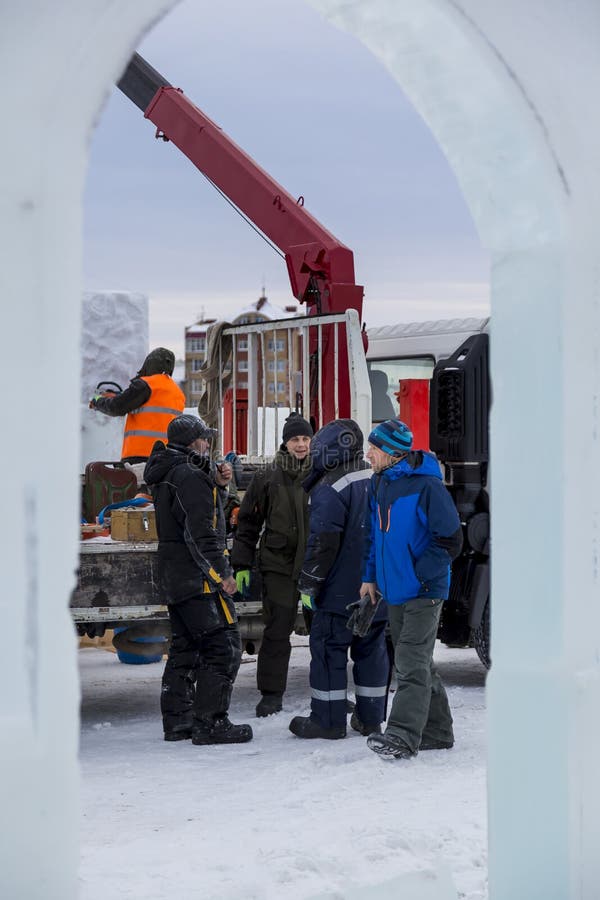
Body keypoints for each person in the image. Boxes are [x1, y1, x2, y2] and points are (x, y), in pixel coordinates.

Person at [144, 414, 252, 745]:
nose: (208, 444)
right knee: (223, 647)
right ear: (195, 443)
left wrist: (217, 484)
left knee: (186, 647)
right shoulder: (189, 476)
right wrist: (222, 575)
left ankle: (178, 720)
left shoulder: (169, 470)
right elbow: (201, 534)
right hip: (197, 577)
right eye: (205, 438)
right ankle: (211, 723)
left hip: (176, 575)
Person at [360, 419, 463, 760]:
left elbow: (450, 539)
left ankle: (402, 735)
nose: (368, 454)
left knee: (409, 659)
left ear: (392, 452)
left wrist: (418, 575)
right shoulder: (378, 483)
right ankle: (437, 731)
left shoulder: (427, 486)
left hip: (424, 589)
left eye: (374, 448)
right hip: (395, 590)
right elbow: (374, 537)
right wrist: (370, 578)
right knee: (419, 662)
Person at [289, 419, 389, 740]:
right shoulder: (378, 478)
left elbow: (323, 543)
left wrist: (309, 584)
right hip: (377, 590)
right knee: (371, 652)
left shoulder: (331, 486)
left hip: (338, 594)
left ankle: (328, 721)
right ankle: (370, 720)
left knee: (328, 651)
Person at [231, 412, 313, 717]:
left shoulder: (322, 471)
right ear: (285, 443)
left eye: (305, 438)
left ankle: (326, 692)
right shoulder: (267, 476)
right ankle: (271, 694)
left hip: (314, 567)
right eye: (295, 439)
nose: (301, 444)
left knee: (323, 634)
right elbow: (248, 522)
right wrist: (241, 563)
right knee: (277, 631)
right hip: (278, 565)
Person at [90, 347, 185, 462]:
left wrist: (97, 401)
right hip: (166, 459)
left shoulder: (145, 385)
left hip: (140, 456)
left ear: (149, 364)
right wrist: (119, 395)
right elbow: (151, 406)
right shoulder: (178, 393)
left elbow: (116, 407)